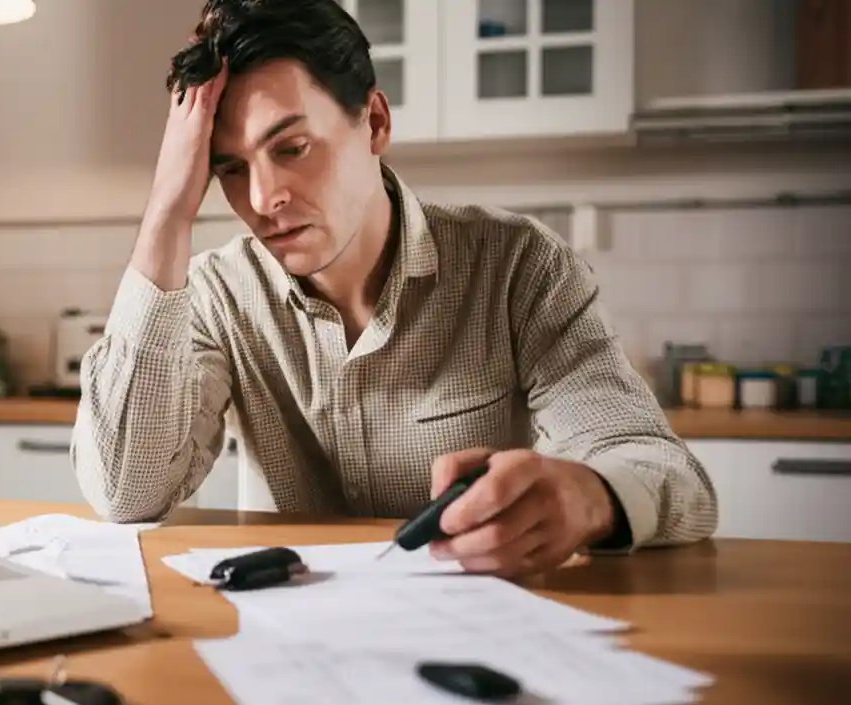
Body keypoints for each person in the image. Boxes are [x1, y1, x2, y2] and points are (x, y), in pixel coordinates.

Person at [71, 0, 717, 577]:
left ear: (375, 122)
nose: (264, 198)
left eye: (292, 147)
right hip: (289, 644)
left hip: (485, 631)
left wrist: (589, 496)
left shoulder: (517, 266)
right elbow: (128, 493)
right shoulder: (218, 295)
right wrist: (167, 211)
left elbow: (667, 474)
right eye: (230, 169)